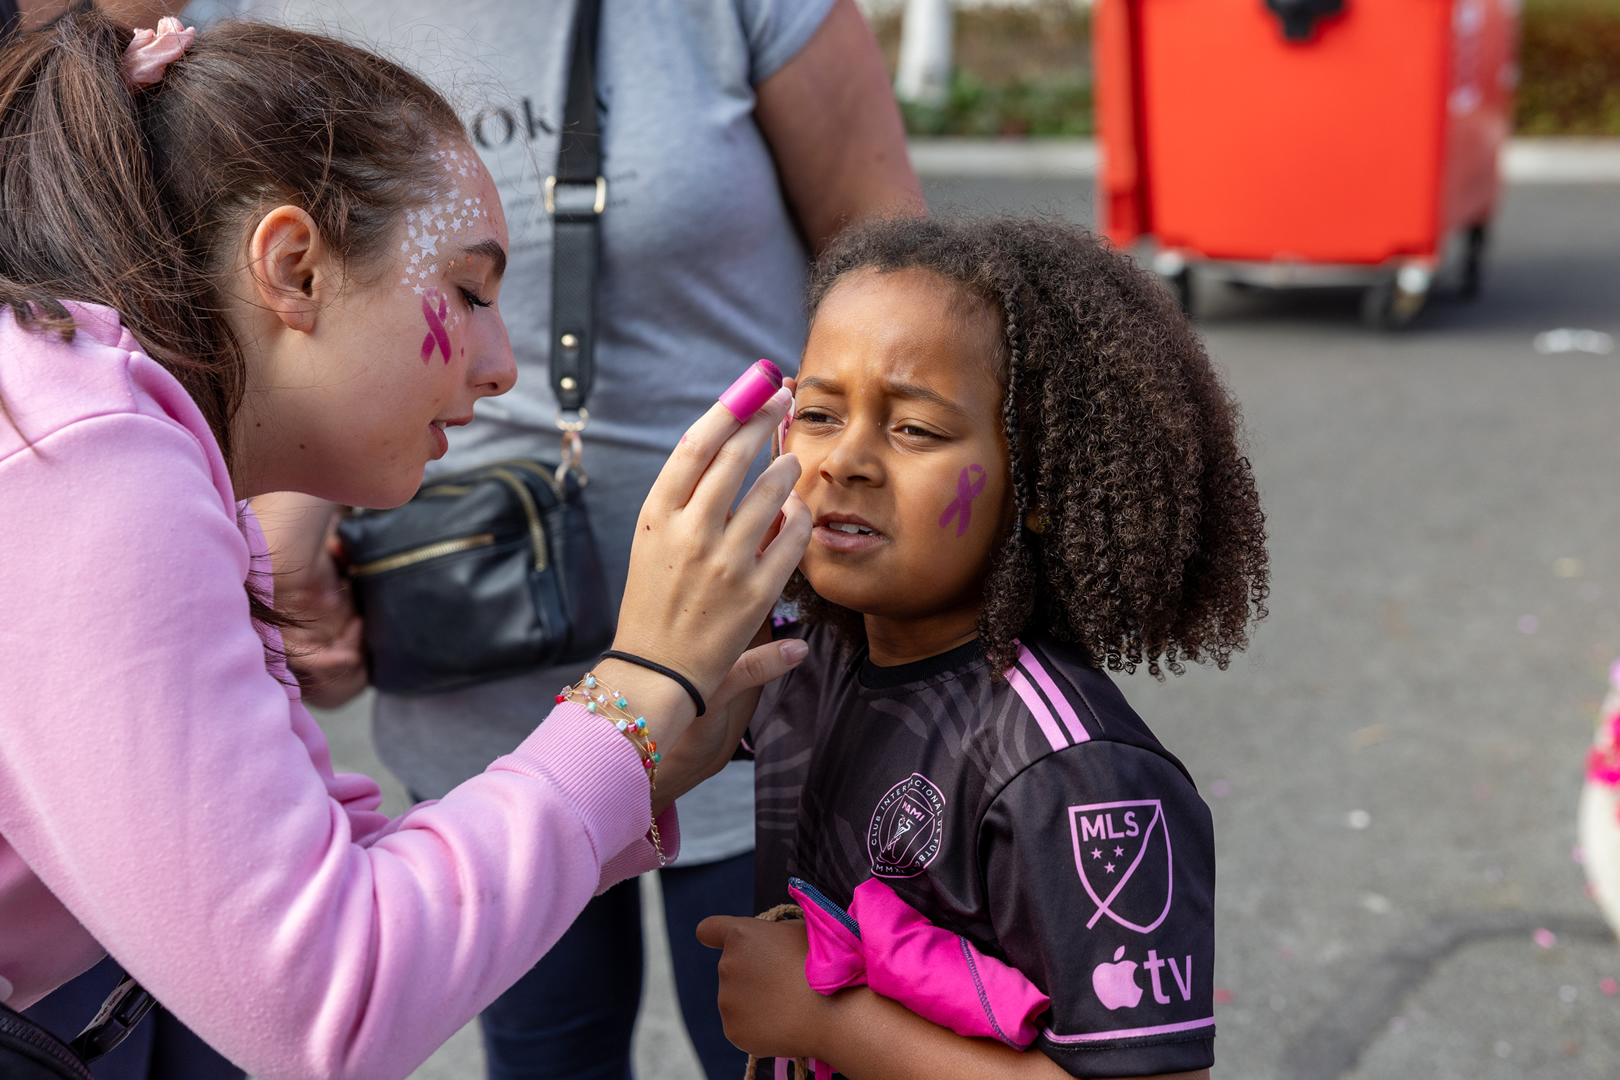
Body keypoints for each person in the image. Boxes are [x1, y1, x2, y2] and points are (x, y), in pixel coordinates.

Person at [0, 14, 811, 1080]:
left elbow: (330, 873)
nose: (500, 364)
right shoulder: (91, 461)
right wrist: (638, 687)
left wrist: (640, 764)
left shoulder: (126, 437)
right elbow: (328, 1000)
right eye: (471, 293)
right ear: (293, 266)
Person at [231, 0, 922, 1076]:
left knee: (792, 1043)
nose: (495, 361)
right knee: (547, 1050)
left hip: (761, 667)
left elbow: (897, 276)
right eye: (467, 296)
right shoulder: (254, 16)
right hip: (475, 671)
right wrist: (287, 542)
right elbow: (271, 317)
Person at [696, 216, 1272, 1079]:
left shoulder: (1073, 772)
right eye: (817, 413)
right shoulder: (801, 663)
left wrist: (831, 1024)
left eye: (914, 430)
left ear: (1037, 483)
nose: (843, 461)